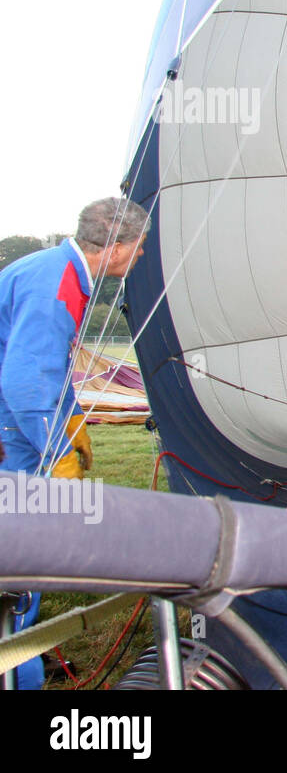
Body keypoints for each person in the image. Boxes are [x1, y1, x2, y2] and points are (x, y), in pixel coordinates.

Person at [0, 196, 150, 689]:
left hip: (17, 430)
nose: (143, 255)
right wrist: (55, 450)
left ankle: (23, 660)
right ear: (116, 247)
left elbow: (49, 369)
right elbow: (26, 381)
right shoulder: (57, 284)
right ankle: (17, 673)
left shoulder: (56, 270)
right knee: (21, 556)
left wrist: (73, 418)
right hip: (14, 437)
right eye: (140, 245)